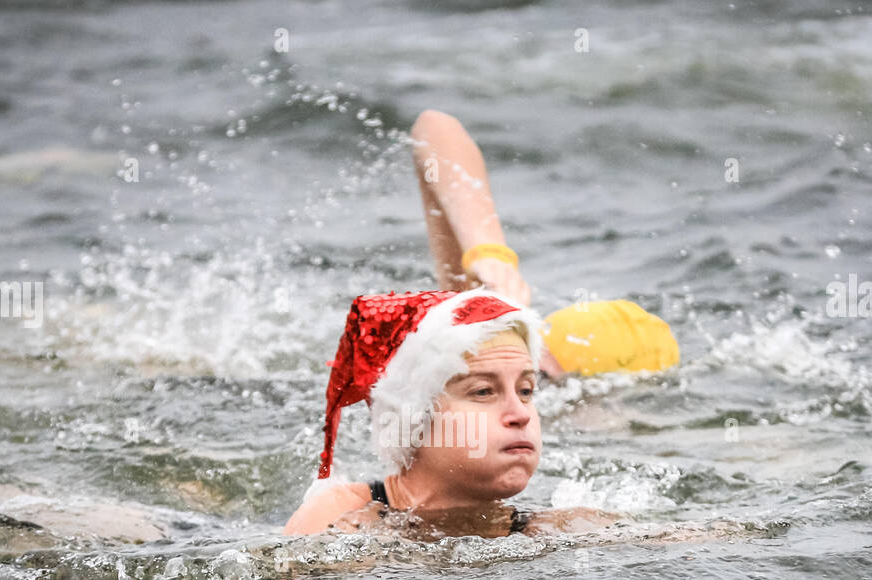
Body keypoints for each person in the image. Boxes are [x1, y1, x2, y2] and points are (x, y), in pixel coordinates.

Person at [282, 110, 675, 538]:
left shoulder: (547, 514)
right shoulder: (470, 338)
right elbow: (434, 126)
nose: (521, 413)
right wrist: (490, 253)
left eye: (529, 388)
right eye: (486, 389)